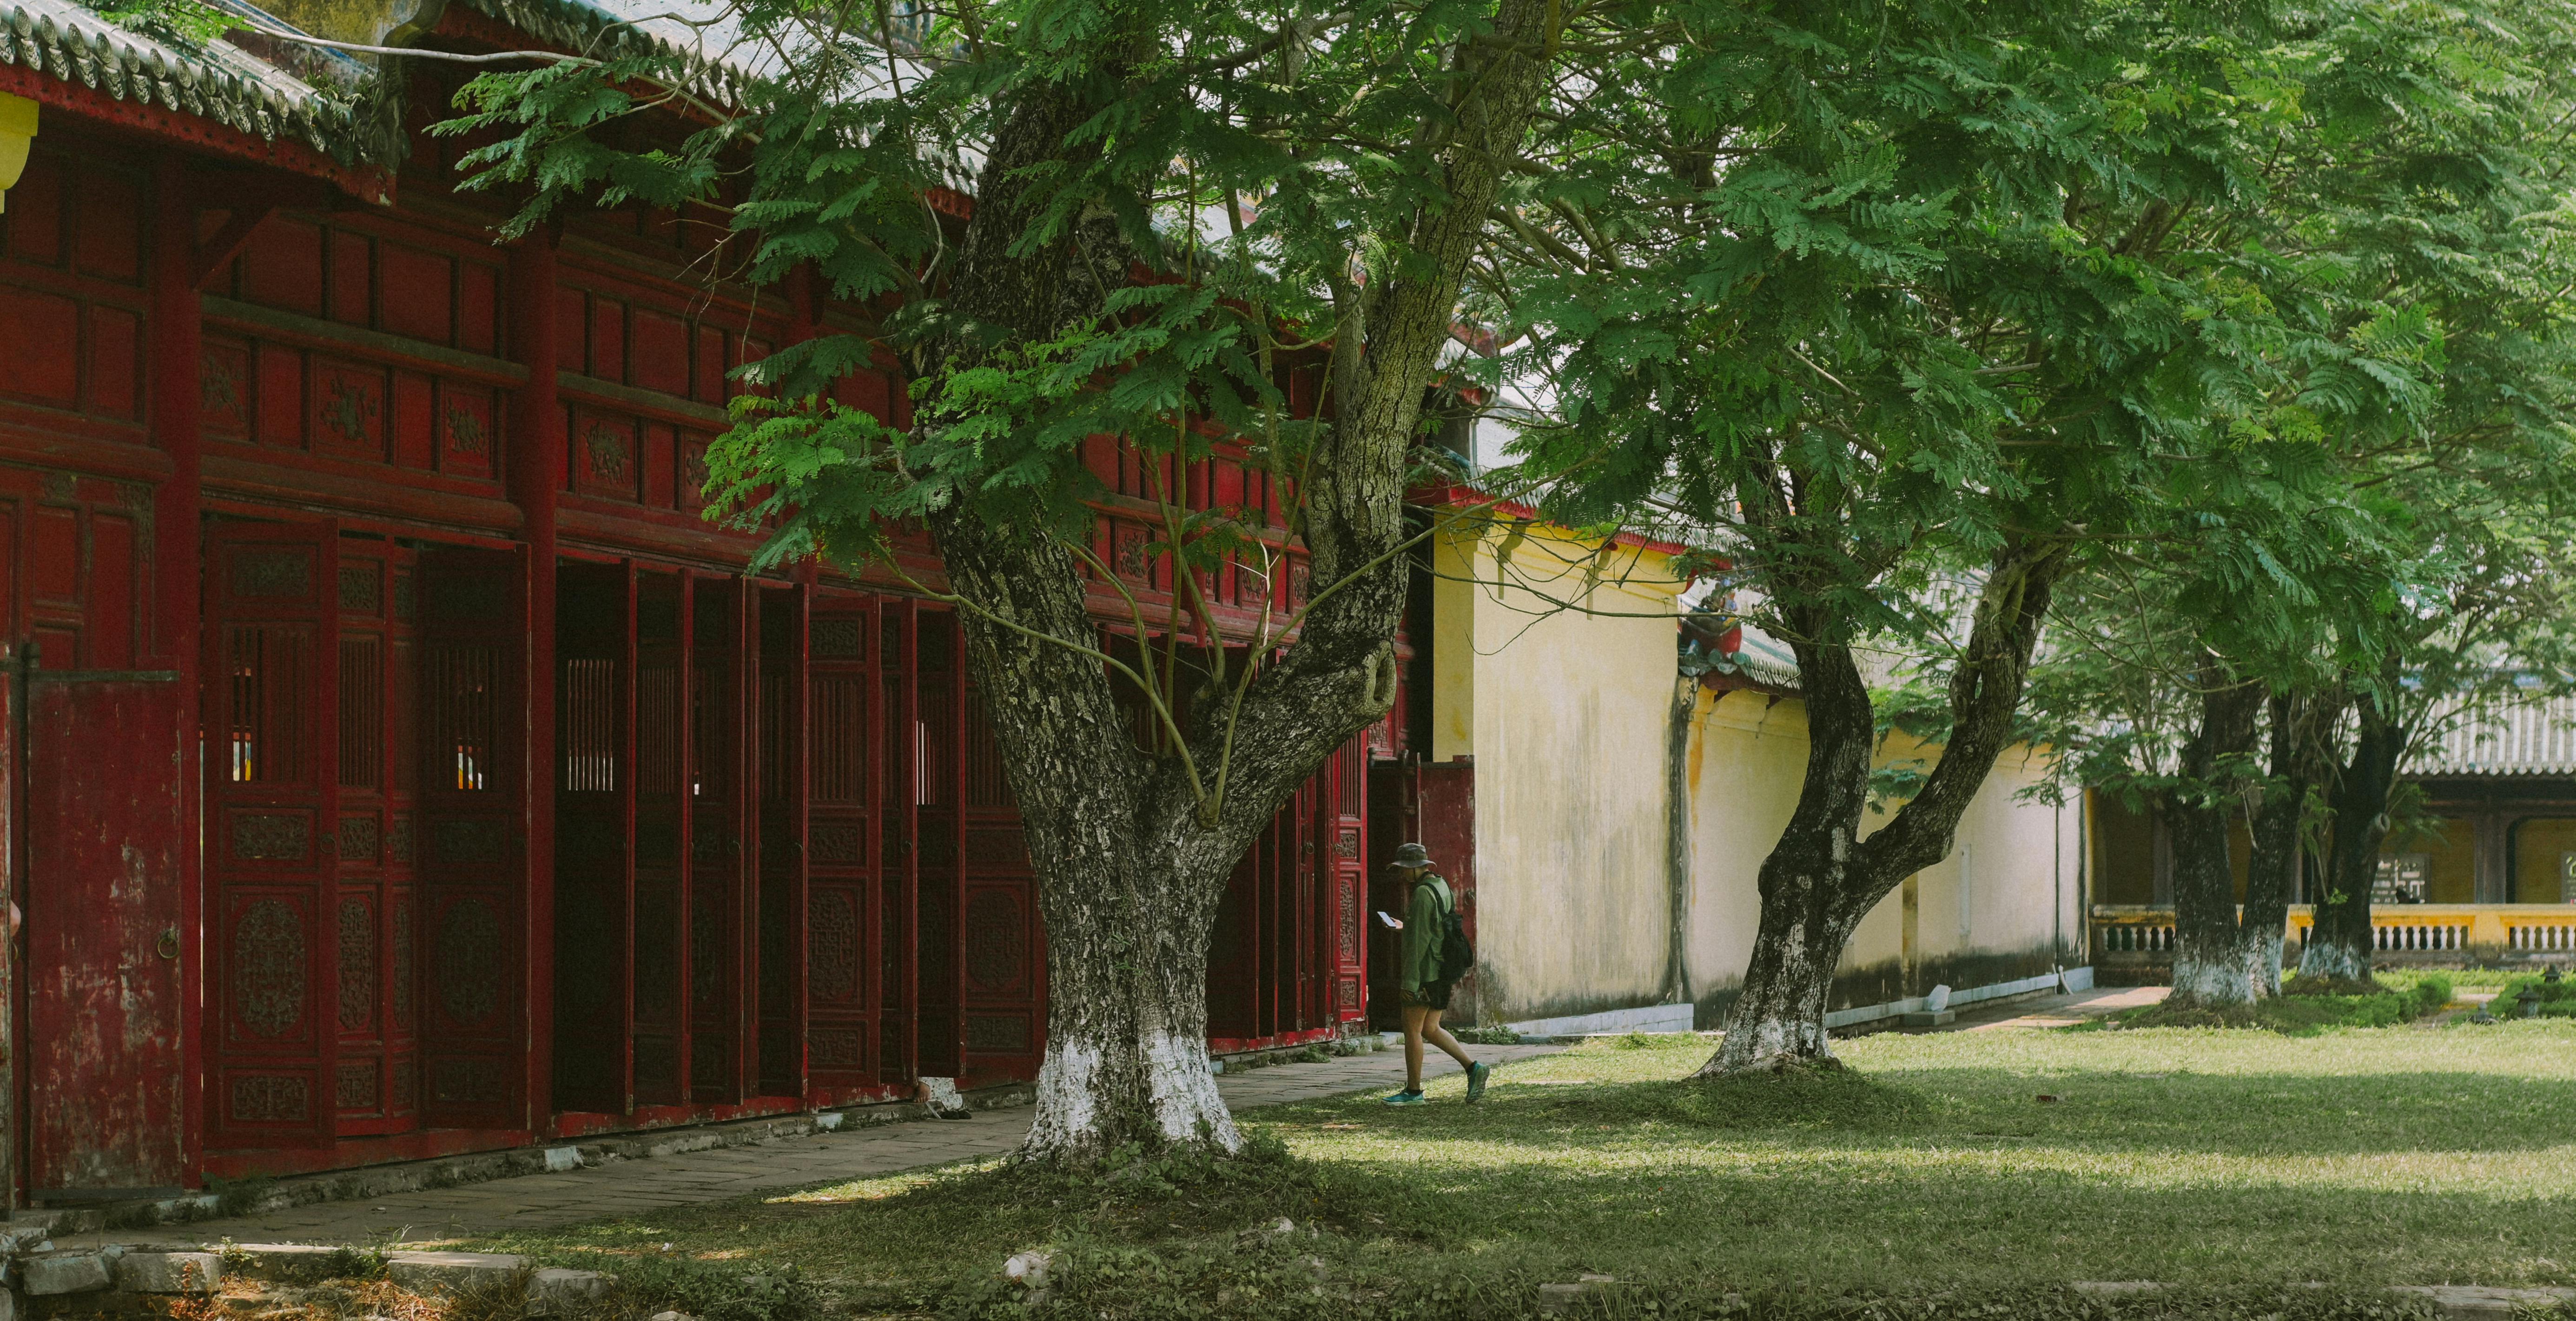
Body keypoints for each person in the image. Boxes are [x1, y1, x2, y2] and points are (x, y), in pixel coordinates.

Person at [1383, 841, 1491, 1105]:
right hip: (1442, 969)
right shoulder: (1440, 885)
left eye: (1405, 870)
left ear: (1417, 869)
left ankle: (1413, 1092)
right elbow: (1433, 927)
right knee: (1431, 1028)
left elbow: (1416, 945)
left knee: (1412, 1030)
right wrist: (1405, 926)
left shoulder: (1421, 894)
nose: (1402, 874)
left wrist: (1409, 982)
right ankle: (1473, 1068)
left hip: (1426, 973)